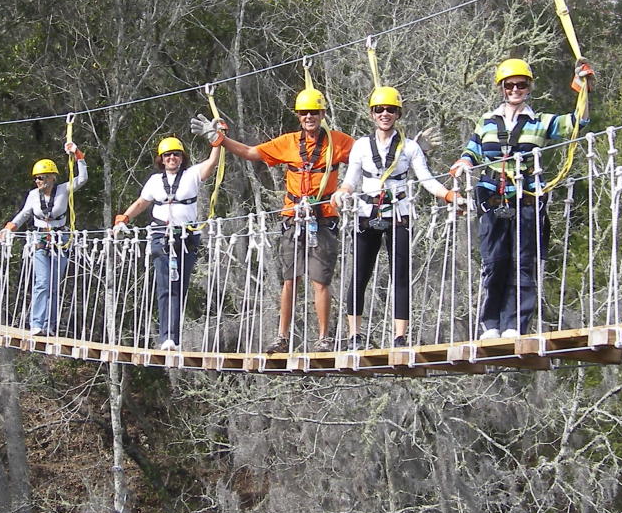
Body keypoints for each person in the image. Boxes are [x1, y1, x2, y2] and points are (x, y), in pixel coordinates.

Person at [450, 58, 593, 340]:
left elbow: (578, 122)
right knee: (494, 261)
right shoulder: (487, 122)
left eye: (521, 85)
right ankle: (491, 323)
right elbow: (472, 151)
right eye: (510, 85)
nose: (515, 89)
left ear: (528, 88)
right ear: (502, 88)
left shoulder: (540, 122)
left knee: (522, 262)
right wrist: (464, 164)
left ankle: (516, 323)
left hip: (526, 198)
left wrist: (585, 87)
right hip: (492, 199)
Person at [207, 88, 354, 353]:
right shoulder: (287, 142)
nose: (309, 117)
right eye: (304, 113)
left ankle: (323, 338)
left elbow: (368, 155)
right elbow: (252, 153)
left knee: (320, 281)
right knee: (290, 279)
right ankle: (282, 337)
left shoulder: (338, 142)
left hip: (322, 219)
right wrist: (221, 141)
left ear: (322, 114)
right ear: (298, 116)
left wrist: (403, 148)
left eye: (314, 112)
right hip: (293, 217)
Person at [331, 87, 464, 348]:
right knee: (360, 273)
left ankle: (400, 336)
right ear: (372, 114)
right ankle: (354, 335)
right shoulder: (360, 146)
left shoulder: (410, 147)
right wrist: (342, 193)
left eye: (390, 110)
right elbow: (351, 181)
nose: (385, 114)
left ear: (398, 114)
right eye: (379, 110)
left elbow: (426, 179)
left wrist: (449, 196)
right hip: (367, 214)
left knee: (400, 274)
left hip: (399, 214)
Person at [113, 136, 222, 350]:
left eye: (176, 154)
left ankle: (173, 337)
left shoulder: (191, 175)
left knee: (179, 286)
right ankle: (167, 338)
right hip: (161, 235)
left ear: (182, 158)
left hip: (187, 236)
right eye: (168, 155)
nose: (172, 158)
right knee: (166, 285)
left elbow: (212, 163)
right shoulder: (155, 181)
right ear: (161, 159)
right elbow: (142, 202)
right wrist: (123, 218)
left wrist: (218, 141)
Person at [0, 142, 87, 336]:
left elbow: (83, 178)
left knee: (54, 284)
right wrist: (9, 228)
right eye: (36, 178)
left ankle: (50, 325)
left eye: (42, 177)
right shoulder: (33, 196)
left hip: (61, 239)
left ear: (52, 177)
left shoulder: (64, 190)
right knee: (42, 281)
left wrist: (77, 155)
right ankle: (37, 323)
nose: (38, 181)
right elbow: (24, 214)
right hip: (40, 238)